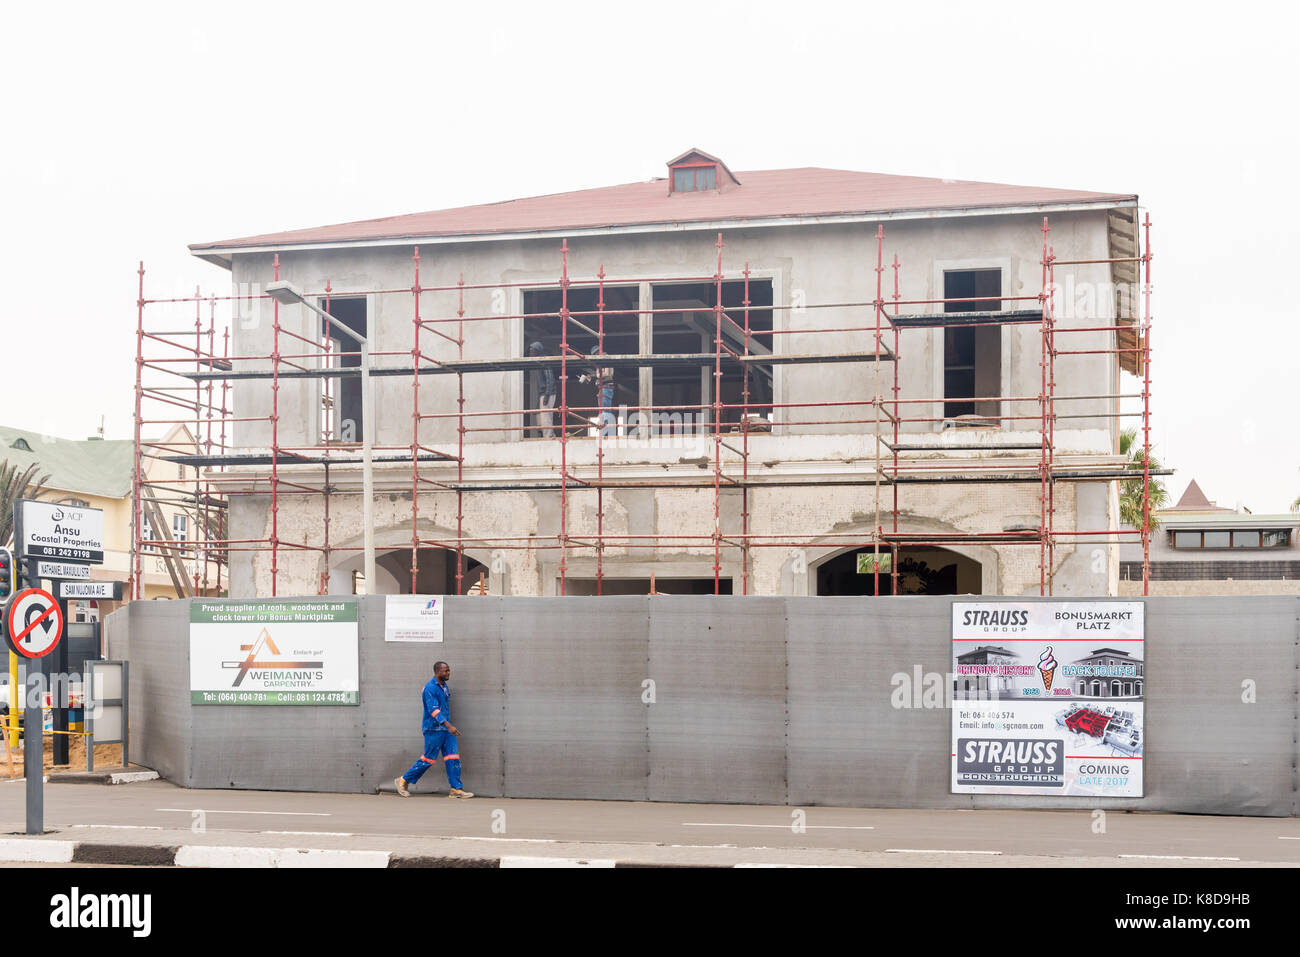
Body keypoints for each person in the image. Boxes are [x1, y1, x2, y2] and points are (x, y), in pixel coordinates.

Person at [395, 660, 474, 798]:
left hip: (446, 729)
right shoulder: (430, 688)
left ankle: (456, 789)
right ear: (437, 672)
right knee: (429, 759)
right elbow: (434, 711)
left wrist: (448, 727)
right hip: (434, 730)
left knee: (453, 758)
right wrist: (449, 726)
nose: (448, 673)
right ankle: (403, 780)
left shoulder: (444, 686)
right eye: (446, 671)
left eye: (449, 670)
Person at [579, 344, 616, 437]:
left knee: (605, 411)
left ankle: (607, 432)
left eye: (596, 353)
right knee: (603, 410)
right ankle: (606, 431)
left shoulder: (605, 359)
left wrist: (595, 376)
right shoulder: (601, 361)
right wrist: (593, 376)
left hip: (606, 387)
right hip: (604, 387)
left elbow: (606, 373)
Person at [528, 341, 557, 438]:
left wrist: (547, 395)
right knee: (545, 416)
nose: (530, 353)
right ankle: (549, 435)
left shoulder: (544, 362)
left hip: (548, 393)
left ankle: (548, 436)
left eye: (532, 351)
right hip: (544, 393)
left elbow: (550, 379)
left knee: (546, 417)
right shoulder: (539, 362)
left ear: (537, 351)